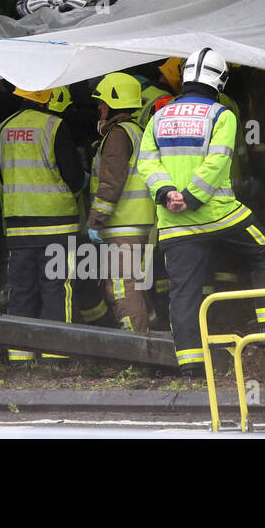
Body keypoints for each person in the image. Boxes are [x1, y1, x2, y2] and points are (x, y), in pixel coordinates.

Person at [138, 48, 265, 376]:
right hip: (217, 214)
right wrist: (190, 197)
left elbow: (146, 161)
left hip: (174, 223)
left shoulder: (159, 116)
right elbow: (217, 162)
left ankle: (191, 367)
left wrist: (167, 194)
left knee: (184, 294)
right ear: (219, 80)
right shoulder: (222, 115)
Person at [0, 85, 85, 362]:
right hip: (57, 225)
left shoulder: (3, 128)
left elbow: (1, 174)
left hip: (19, 226)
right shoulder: (54, 126)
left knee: (21, 289)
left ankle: (19, 357)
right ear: (46, 97)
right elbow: (74, 176)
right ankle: (56, 356)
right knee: (56, 289)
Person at [88, 73, 156, 334]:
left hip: (122, 223)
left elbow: (110, 183)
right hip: (139, 220)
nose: (100, 108)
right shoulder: (137, 130)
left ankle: (135, 344)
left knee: (121, 283)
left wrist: (95, 220)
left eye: (102, 102)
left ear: (114, 104)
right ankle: (150, 330)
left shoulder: (117, 135)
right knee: (136, 283)